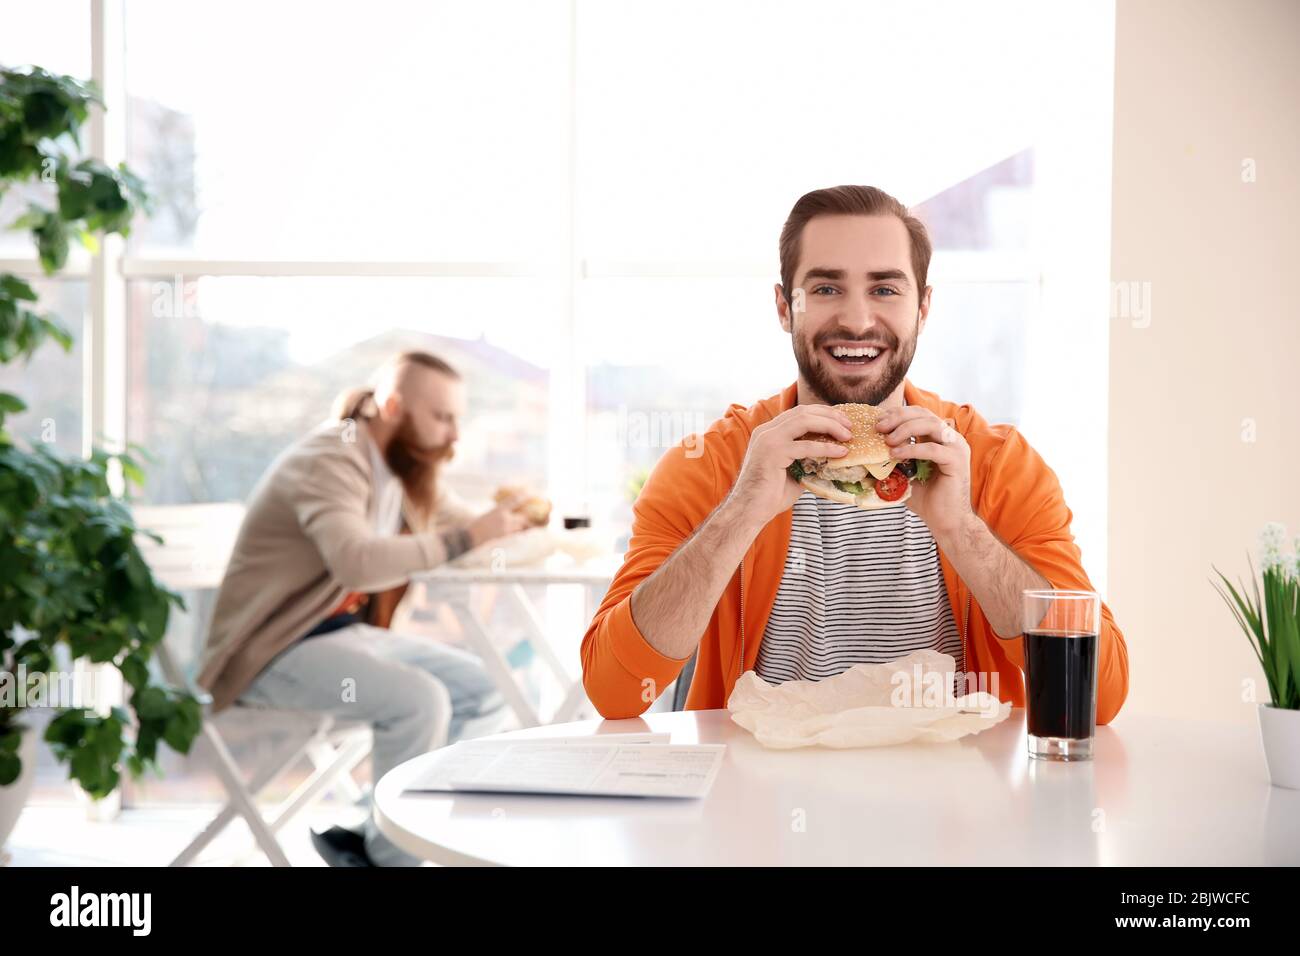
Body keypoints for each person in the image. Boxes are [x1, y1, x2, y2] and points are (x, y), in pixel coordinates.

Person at [581, 185, 1129, 722]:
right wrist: (742, 509)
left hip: (959, 802)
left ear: (924, 308)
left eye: (886, 290)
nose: (858, 321)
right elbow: (614, 691)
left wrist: (963, 529)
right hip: (760, 803)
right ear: (782, 306)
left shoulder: (995, 463)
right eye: (825, 289)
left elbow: (1099, 698)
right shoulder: (713, 464)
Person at [197, 350, 530, 866]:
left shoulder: (401, 470)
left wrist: (526, 529)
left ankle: (369, 832)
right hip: (271, 649)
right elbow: (356, 563)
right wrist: (466, 537)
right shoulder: (330, 459)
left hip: (339, 636)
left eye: (457, 420)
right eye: (441, 417)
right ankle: (390, 856)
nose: (454, 437)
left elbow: (473, 534)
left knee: (486, 690)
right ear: (394, 406)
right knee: (419, 701)